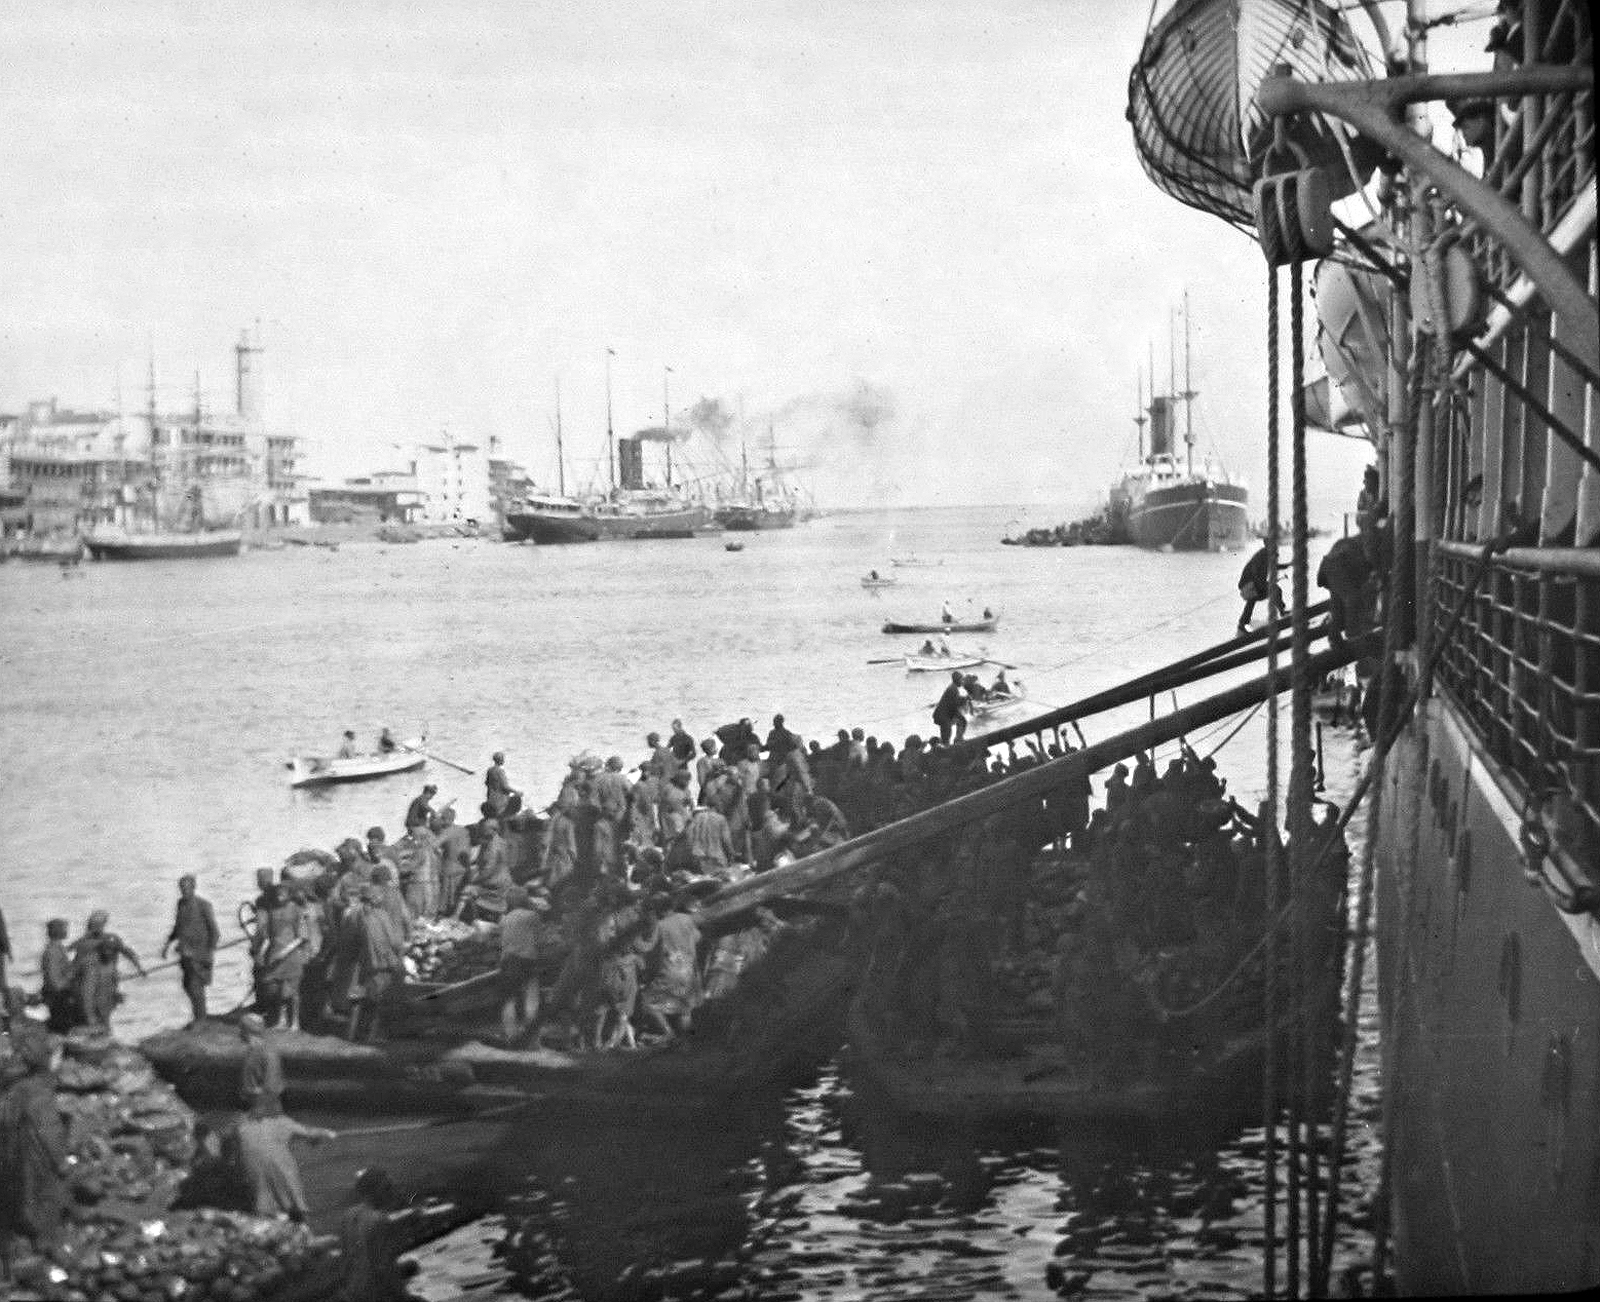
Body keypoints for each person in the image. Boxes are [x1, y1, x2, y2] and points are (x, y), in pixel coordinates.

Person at [0, 1021, 70, 1254]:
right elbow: (49, 1131)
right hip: (34, 1161)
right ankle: (44, 1247)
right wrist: (62, 1162)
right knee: (42, 1201)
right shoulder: (40, 1093)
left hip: (12, 1159)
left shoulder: (15, 1089)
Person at [235, 1106, 335, 1221]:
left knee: (267, 1217)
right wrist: (324, 1133)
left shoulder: (239, 1125)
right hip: (283, 1188)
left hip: (259, 1195)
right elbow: (310, 1134)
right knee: (295, 1215)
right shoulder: (281, 1121)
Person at [349, 884, 406, 1044]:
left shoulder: (355, 915)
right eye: (379, 896)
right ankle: (373, 1036)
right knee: (380, 1000)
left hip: (366, 964)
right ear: (374, 899)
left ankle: (355, 1033)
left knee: (365, 1000)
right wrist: (400, 953)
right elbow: (394, 941)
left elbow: (351, 941)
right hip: (383, 964)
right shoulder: (381, 915)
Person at [71, 909, 144, 1032]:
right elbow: (75, 963)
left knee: (104, 1009)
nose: (94, 928)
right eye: (93, 925)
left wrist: (139, 968)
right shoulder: (84, 943)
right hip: (92, 984)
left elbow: (128, 953)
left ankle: (103, 1031)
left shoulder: (111, 939)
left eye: (98, 925)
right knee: (93, 1008)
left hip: (108, 983)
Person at [162, 874, 221, 1027]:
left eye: (187, 888)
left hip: (200, 954)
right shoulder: (180, 904)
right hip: (185, 954)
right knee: (188, 985)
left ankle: (201, 1019)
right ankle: (199, 1016)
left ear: (193, 888)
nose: (184, 891)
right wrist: (167, 944)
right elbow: (178, 927)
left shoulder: (204, 905)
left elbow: (214, 932)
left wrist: (208, 953)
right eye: (182, 888)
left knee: (196, 986)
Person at [638, 902, 702, 1041]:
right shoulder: (686, 918)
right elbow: (698, 937)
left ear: (658, 911)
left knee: (648, 1002)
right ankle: (686, 1043)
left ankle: (668, 1033)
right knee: (685, 1008)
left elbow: (650, 947)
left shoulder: (660, 926)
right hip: (689, 968)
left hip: (671, 969)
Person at [497, 887, 547, 1046]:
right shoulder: (533, 916)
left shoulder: (504, 919)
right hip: (528, 961)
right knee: (531, 999)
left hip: (509, 961)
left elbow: (502, 941)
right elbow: (540, 941)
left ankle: (511, 1036)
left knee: (509, 999)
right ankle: (531, 1040)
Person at [238, 1012, 286, 1117]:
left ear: (245, 1031)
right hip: (256, 1105)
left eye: (241, 1029)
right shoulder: (253, 1050)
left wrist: (260, 1110)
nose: (239, 1033)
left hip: (265, 1108)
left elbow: (272, 1086)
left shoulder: (268, 1053)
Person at [1236, 543, 1284, 633]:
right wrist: (1262, 586)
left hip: (1253, 584)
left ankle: (1282, 611)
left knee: (1273, 591)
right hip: (1249, 585)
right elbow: (1255, 573)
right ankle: (1242, 623)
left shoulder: (1265, 554)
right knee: (1274, 591)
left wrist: (1288, 564)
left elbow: (1274, 566)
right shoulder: (1263, 555)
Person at [39, 919, 77, 1032]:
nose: (67, 931)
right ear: (58, 931)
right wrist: (71, 976)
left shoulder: (58, 948)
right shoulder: (52, 951)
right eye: (64, 928)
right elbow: (54, 979)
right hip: (57, 995)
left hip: (59, 993)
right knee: (61, 1025)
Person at [434, 806, 472, 917]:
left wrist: (440, 855)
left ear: (445, 819)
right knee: (457, 898)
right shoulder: (463, 830)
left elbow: (434, 845)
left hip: (449, 868)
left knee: (445, 901)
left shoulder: (447, 831)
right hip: (463, 868)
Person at [684, 802, 736, 878]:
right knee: (721, 880)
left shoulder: (696, 818)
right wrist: (732, 854)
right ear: (715, 807)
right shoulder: (720, 818)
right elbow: (726, 840)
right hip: (717, 857)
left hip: (700, 858)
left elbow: (689, 837)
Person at [933, 670, 969, 745]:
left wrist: (963, 699)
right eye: (961, 680)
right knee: (948, 732)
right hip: (943, 716)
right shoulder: (953, 689)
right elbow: (954, 704)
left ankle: (957, 740)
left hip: (945, 714)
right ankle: (955, 742)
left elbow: (954, 701)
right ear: (957, 680)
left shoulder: (953, 687)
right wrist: (964, 700)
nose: (962, 682)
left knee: (961, 722)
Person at [485, 751, 515, 819]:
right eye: (503, 759)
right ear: (501, 760)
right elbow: (505, 786)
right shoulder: (500, 771)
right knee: (502, 817)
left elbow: (486, 783)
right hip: (500, 799)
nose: (504, 760)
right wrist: (516, 792)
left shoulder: (490, 770)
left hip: (491, 797)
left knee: (492, 816)